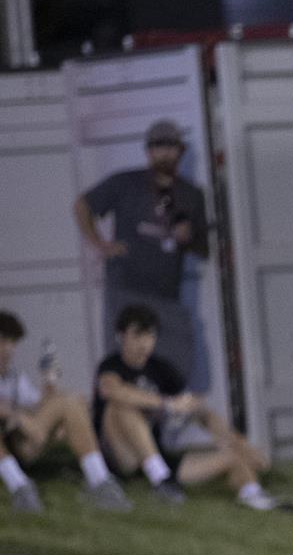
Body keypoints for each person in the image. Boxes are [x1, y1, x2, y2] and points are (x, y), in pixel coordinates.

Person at [94, 304, 290, 512]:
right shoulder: (111, 365)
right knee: (121, 406)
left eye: (149, 336)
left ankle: (254, 497)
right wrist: (166, 404)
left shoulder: (161, 369)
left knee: (234, 455)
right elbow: (110, 390)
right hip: (121, 455)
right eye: (137, 336)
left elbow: (197, 409)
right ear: (121, 336)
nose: (143, 344)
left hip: (158, 455)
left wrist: (237, 442)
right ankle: (160, 478)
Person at [73, 120, 212, 390]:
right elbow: (82, 205)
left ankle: (158, 419)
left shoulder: (191, 194)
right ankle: (124, 424)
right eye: (157, 146)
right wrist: (100, 244)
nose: (164, 153)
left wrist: (188, 235)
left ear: (180, 151)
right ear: (148, 151)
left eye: (170, 146)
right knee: (125, 368)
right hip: (126, 290)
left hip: (166, 297)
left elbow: (202, 248)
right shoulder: (127, 182)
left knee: (175, 367)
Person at [0, 313, 130, 513]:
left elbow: (37, 406)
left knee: (69, 402)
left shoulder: (15, 378)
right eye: (2, 341)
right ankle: (19, 487)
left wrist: (50, 393)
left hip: (22, 442)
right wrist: (16, 416)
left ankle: (100, 482)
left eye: (12, 342)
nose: (8, 348)